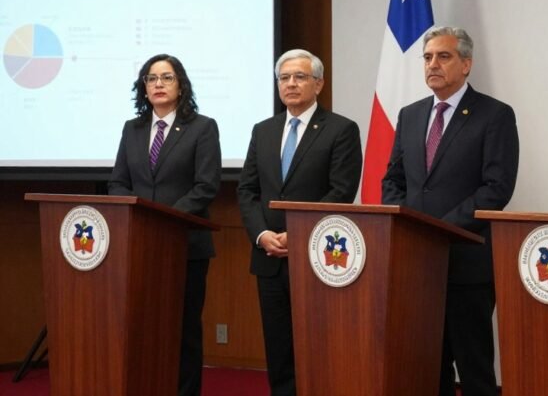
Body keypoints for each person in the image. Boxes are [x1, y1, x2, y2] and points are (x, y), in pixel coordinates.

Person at [382, 26, 519, 396]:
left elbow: (496, 189)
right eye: (427, 57)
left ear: (466, 64)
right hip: (416, 263)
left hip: (466, 263)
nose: (433, 65)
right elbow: (392, 180)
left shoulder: (495, 115)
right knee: (426, 365)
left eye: (443, 56)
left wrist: (437, 229)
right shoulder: (410, 115)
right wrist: (413, 226)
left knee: (473, 368)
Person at [237, 49, 362, 396]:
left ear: (318, 84)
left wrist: (300, 235)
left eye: (300, 77)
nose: (291, 84)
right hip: (268, 258)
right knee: (279, 353)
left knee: (317, 349)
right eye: (284, 77)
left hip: (316, 259)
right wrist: (262, 234)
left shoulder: (341, 130)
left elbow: (341, 192)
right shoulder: (263, 131)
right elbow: (247, 189)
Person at [108, 54, 221, 396]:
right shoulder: (133, 128)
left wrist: (162, 219)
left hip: (185, 247)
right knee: (145, 329)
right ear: (143, 88)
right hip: (139, 247)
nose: (158, 84)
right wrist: (142, 220)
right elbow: (118, 182)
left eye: (166, 77)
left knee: (183, 331)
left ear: (181, 85)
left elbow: (206, 186)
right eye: (151, 78)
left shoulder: (202, 127)